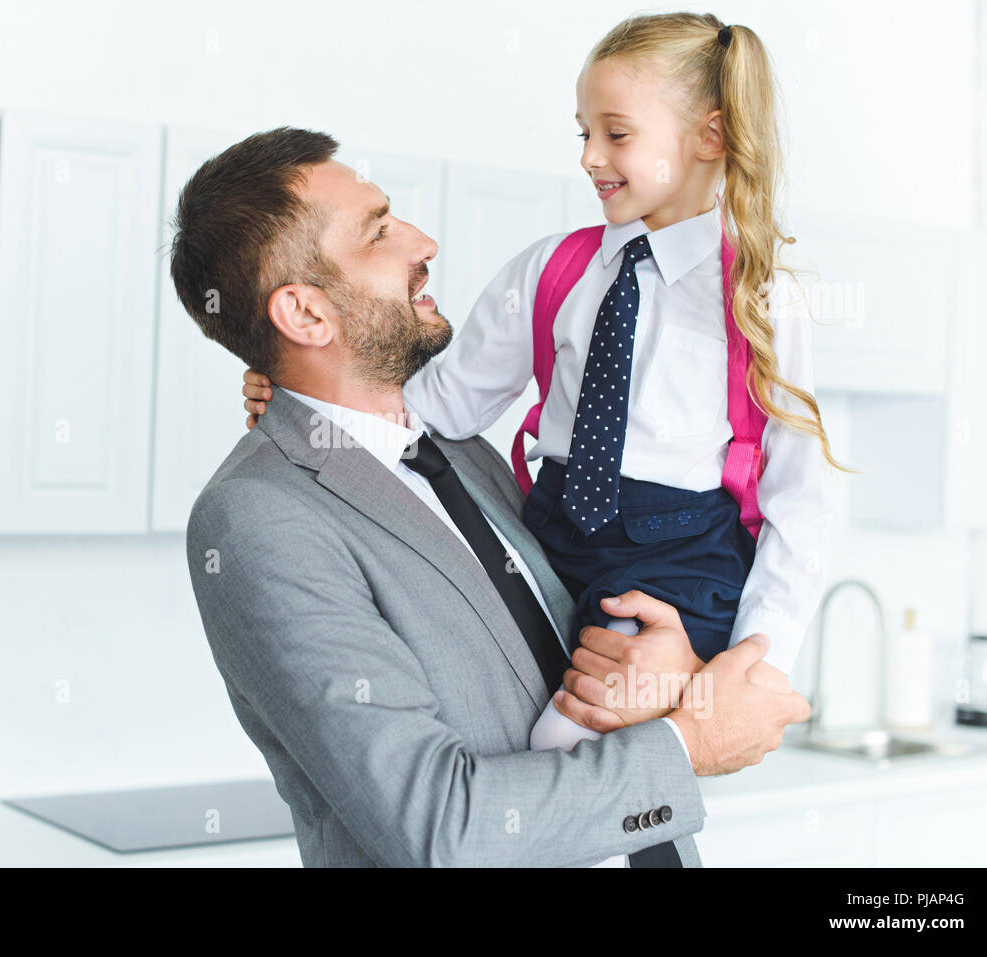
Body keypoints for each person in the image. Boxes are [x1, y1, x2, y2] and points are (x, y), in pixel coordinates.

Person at [173, 124, 810, 867]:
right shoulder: (258, 517)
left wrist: (674, 676)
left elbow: (575, 646)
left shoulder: (462, 451)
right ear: (307, 314)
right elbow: (441, 827)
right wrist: (689, 742)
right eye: (378, 232)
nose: (421, 242)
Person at [241, 12, 837, 759]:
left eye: (616, 134)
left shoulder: (759, 297)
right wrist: (308, 406)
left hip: (674, 560)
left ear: (709, 138)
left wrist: (755, 661)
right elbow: (443, 401)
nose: (590, 157)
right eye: (583, 133)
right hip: (551, 535)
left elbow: (800, 497)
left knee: (557, 739)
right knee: (489, 706)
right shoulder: (551, 269)